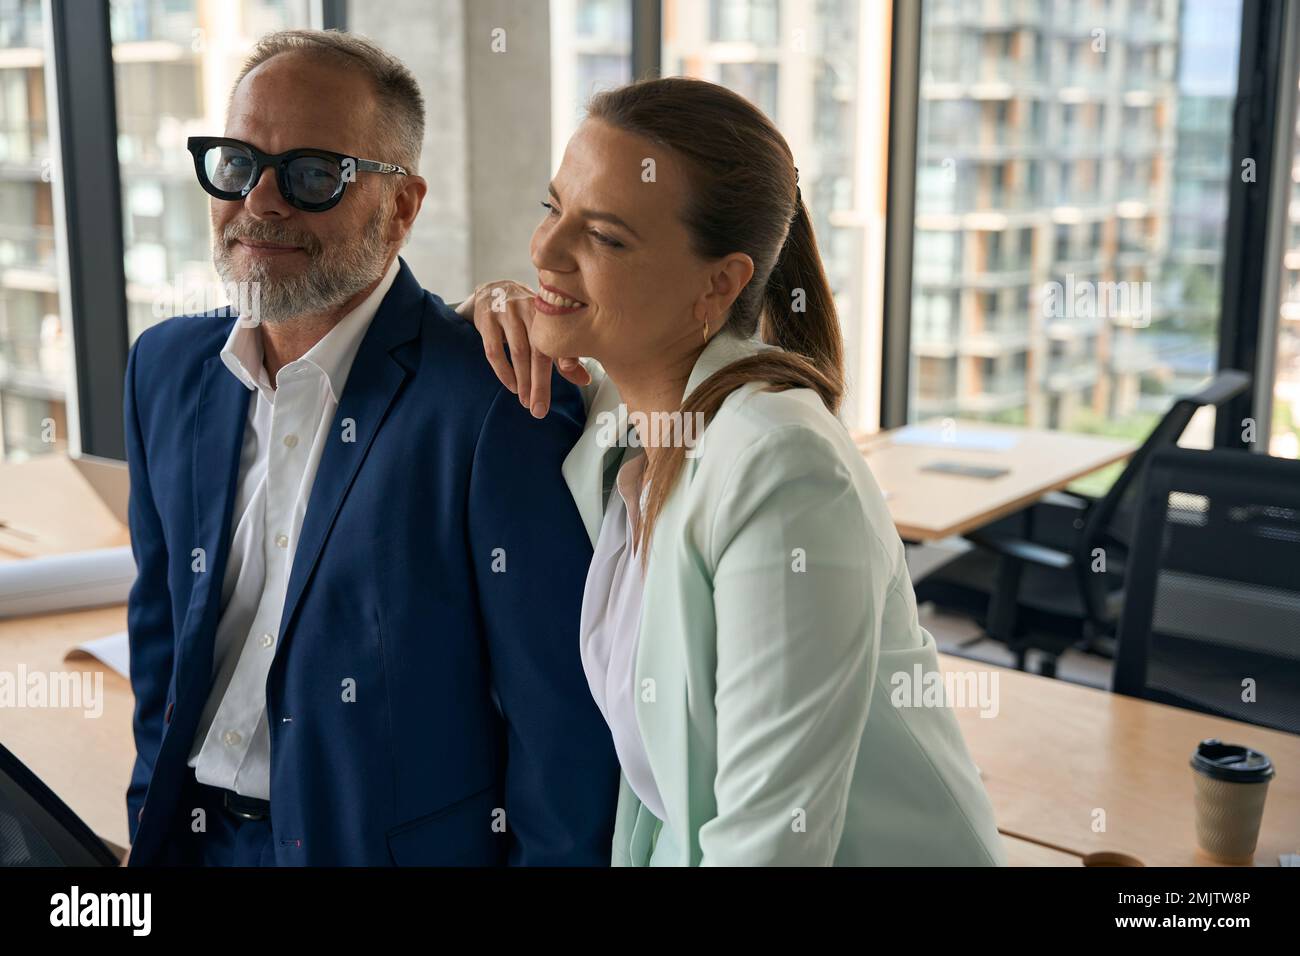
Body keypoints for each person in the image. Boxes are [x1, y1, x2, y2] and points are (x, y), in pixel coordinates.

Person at [462, 76, 1006, 865]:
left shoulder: (781, 466)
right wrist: (489, 307)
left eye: (606, 237)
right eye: (554, 209)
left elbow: (768, 840)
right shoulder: (630, 414)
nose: (545, 249)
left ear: (720, 283)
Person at [123, 29, 618, 866]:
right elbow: (162, 642)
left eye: (313, 175)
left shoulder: (499, 401)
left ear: (402, 206)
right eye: (238, 164)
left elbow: (561, 738)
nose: (262, 202)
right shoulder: (164, 368)